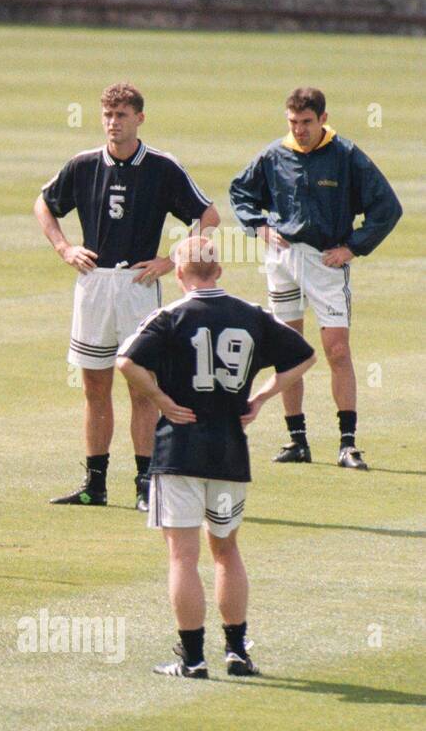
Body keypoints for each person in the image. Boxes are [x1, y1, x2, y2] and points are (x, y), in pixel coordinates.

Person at [117, 237, 315, 678]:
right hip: (229, 450)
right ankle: (238, 652)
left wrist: (161, 400)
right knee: (226, 551)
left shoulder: (170, 316)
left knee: (182, 557)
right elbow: (304, 355)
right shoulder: (252, 315)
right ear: (219, 270)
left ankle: (193, 659)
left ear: (181, 273)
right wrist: (262, 397)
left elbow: (126, 361)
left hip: (178, 450)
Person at [35, 83, 219, 510]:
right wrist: (64, 247)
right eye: (107, 115)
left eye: (121, 115)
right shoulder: (82, 165)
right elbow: (43, 203)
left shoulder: (161, 167)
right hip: (94, 283)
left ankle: (144, 485)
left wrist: (173, 260)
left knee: (141, 387)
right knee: (94, 386)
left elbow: (207, 214)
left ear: (139, 118)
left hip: (138, 287)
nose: (113, 123)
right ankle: (94, 485)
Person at [229, 86, 401, 469]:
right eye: (293, 122)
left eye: (306, 122)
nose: (299, 130)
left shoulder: (346, 156)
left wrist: (353, 247)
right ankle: (297, 440)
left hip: (326, 262)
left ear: (323, 118)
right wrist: (258, 227)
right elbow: (240, 191)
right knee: (288, 349)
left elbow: (387, 207)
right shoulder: (275, 154)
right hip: (282, 258)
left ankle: (347, 443)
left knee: (337, 350)